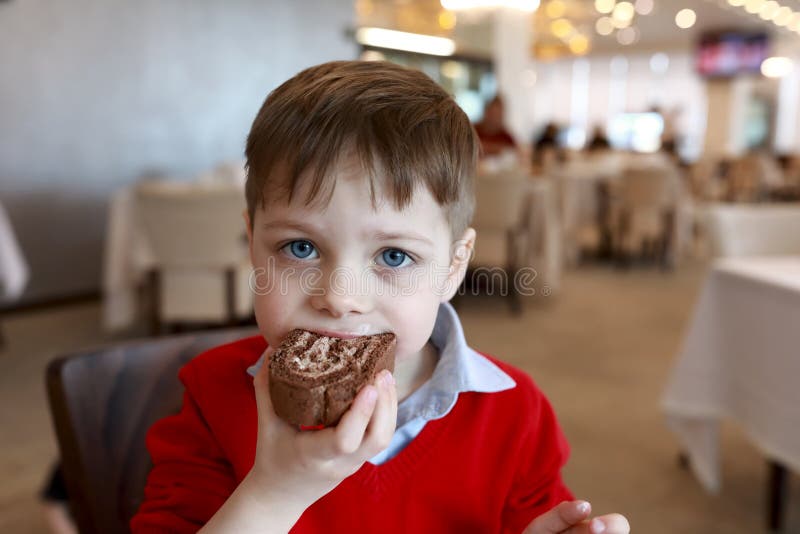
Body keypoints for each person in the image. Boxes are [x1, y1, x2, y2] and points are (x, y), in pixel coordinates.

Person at [131, 60, 629, 534]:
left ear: (454, 267)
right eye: (299, 248)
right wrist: (274, 492)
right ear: (252, 245)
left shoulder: (515, 414)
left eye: (393, 256)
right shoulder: (211, 394)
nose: (340, 297)